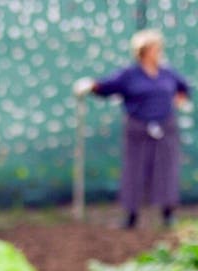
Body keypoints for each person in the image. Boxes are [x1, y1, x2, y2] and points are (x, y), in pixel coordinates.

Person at [74, 29, 191, 229]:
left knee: (166, 169)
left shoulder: (167, 73)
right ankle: (131, 215)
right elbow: (107, 86)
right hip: (138, 127)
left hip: (165, 127)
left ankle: (168, 214)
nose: (158, 53)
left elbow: (184, 87)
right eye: (154, 49)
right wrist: (91, 86)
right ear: (143, 51)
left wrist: (178, 101)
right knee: (134, 170)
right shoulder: (129, 74)